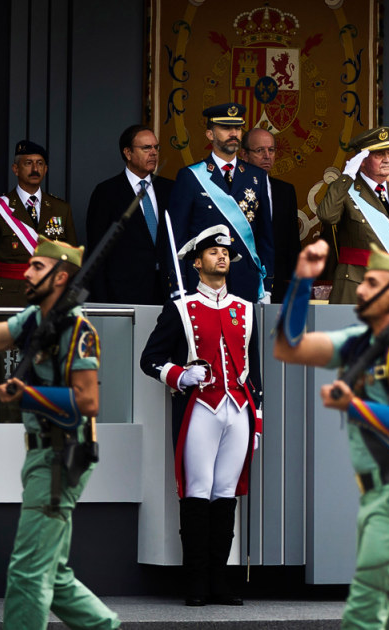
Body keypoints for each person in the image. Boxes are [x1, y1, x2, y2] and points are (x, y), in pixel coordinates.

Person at [0, 238, 120, 629]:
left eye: (36, 267)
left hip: (61, 458)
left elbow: (88, 401)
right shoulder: (32, 320)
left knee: (27, 575)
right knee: (51, 577)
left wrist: (29, 395)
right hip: (42, 456)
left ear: (60, 277)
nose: (25, 272)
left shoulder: (79, 329)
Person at [274, 239, 389, 629]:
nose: (360, 290)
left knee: (361, 618)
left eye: (370, 282)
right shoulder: (357, 342)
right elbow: (288, 347)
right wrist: (301, 280)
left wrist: (354, 405)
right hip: (379, 498)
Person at [140, 225, 262, 607]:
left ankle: (218, 582)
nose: (221, 257)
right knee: (197, 493)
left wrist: (257, 420)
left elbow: (253, 373)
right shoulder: (180, 308)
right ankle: (194, 583)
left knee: (226, 495)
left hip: (239, 409)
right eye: (212, 252)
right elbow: (150, 359)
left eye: (225, 253)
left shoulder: (245, 309)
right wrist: (179, 374)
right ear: (196, 262)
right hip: (201, 409)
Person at [167, 103, 274, 304]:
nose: (233, 133)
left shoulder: (257, 177)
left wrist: (266, 286)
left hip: (246, 280)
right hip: (203, 282)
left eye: (238, 128)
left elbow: (265, 237)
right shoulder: (191, 176)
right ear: (210, 134)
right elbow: (176, 238)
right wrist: (177, 284)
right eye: (226, 128)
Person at [318, 126, 389, 304]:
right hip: (357, 286)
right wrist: (347, 176)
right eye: (378, 154)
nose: (387, 160)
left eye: (388, 153)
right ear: (362, 161)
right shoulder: (346, 190)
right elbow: (327, 216)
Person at [0, 140, 78, 307]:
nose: (35, 169)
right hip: (10, 301)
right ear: (15, 169)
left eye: (40, 164)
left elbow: (71, 262)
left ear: (46, 169)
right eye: (28, 163)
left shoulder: (61, 208)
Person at [86, 124, 174, 304]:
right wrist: (103, 303)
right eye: (146, 148)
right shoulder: (107, 192)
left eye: (156, 147)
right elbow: (98, 252)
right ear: (127, 153)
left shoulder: (170, 189)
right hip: (123, 295)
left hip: (166, 293)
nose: (154, 153)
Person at [239, 127, 301, 302]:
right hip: (241, 278)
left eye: (271, 150)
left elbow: (292, 243)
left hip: (278, 282)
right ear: (244, 154)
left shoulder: (285, 190)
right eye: (260, 150)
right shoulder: (233, 188)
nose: (267, 156)